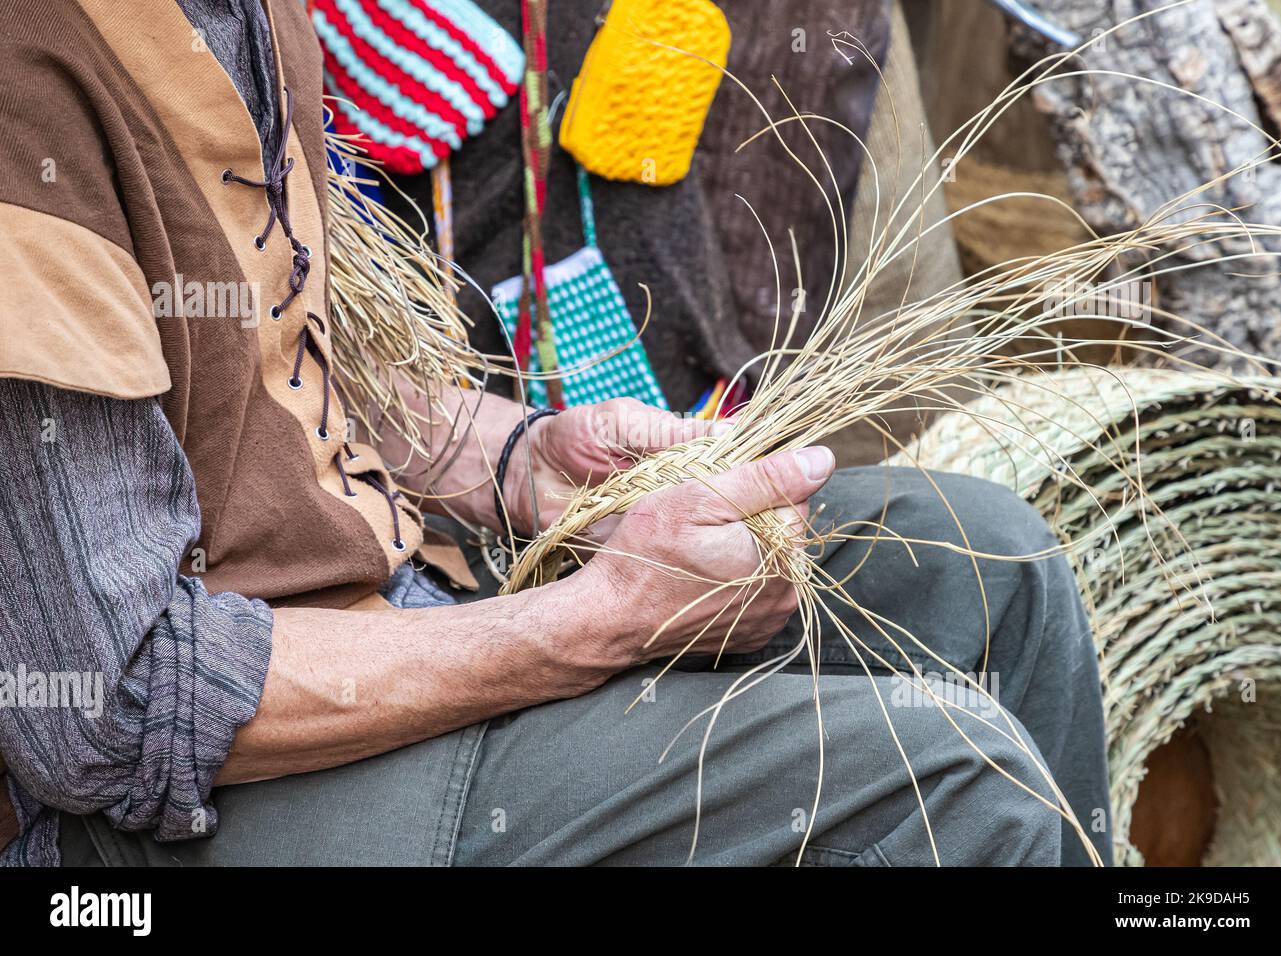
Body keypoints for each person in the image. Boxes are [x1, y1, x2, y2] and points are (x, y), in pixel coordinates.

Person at [0, 0, 1111, 867]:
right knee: (956, 778)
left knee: (982, 566)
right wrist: (592, 617)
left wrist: (518, 458)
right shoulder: (32, 74)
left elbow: (256, 362)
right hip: (183, 816)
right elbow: (104, 706)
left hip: (394, 623)